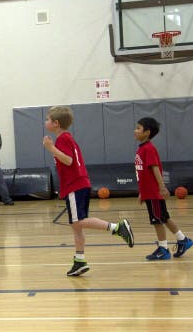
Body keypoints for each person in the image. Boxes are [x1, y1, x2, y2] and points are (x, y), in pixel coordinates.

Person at [42, 106, 134, 276]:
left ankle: (117, 228)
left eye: (47, 119)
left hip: (75, 185)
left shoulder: (62, 140)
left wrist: (50, 148)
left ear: (56, 123)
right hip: (78, 184)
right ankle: (79, 261)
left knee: (78, 222)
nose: (45, 122)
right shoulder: (66, 138)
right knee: (76, 227)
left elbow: (69, 161)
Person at [134, 117, 193, 260]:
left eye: (138, 128)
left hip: (154, 193)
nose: (135, 131)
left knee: (157, 220)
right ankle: (183, 240)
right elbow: (143, 174)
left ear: (147, 132)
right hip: (149, 192)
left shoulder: (148, 149)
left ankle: (163, 248)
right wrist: (142, 192)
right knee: (164, 217)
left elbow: (155, 168)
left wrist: (162, 187)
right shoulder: (142, 148)